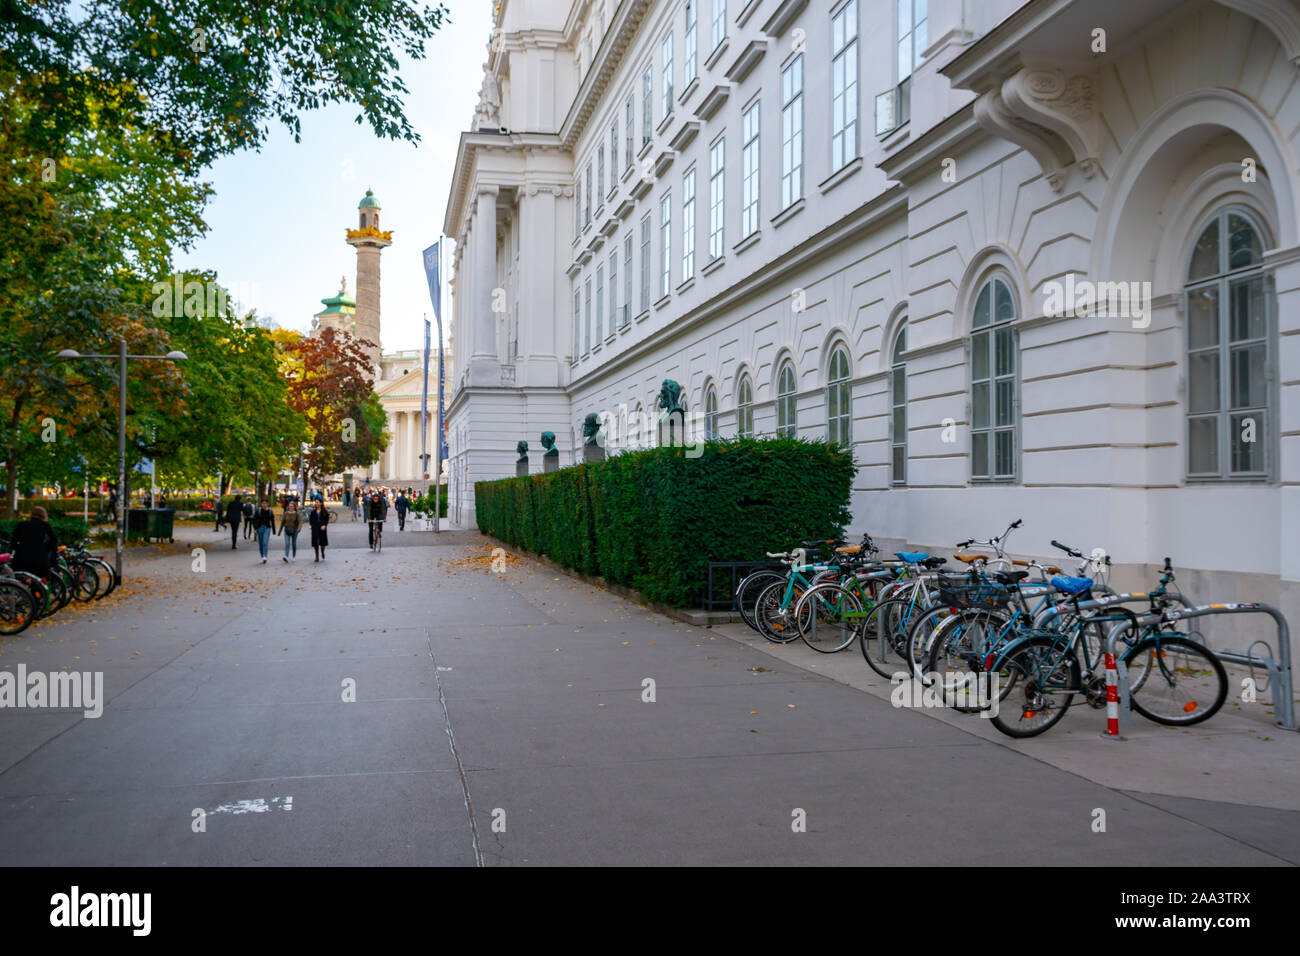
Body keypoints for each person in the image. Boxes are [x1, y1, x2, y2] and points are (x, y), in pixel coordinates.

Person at [10, 506, 58, 577]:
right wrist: (45, 548)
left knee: (20, 581)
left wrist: (20, 548)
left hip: (21, 560)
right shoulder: (45, 525)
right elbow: (54, 540)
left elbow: (13, 542)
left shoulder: (22, 525)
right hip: (39, 560)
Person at [253, 499, 275, 563]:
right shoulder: (258, 511)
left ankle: (265, 556)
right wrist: (255, 528)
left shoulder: (270, 511)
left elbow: (272, 520)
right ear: (261, 504)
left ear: (268, 504)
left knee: (265, 542)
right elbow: (254, 520)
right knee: (261, 544)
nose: (264, 505)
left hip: (267, 528)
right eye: (263, 503)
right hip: (260, 528)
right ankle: (262, 556)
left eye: (265, 503)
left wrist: (273, 530)